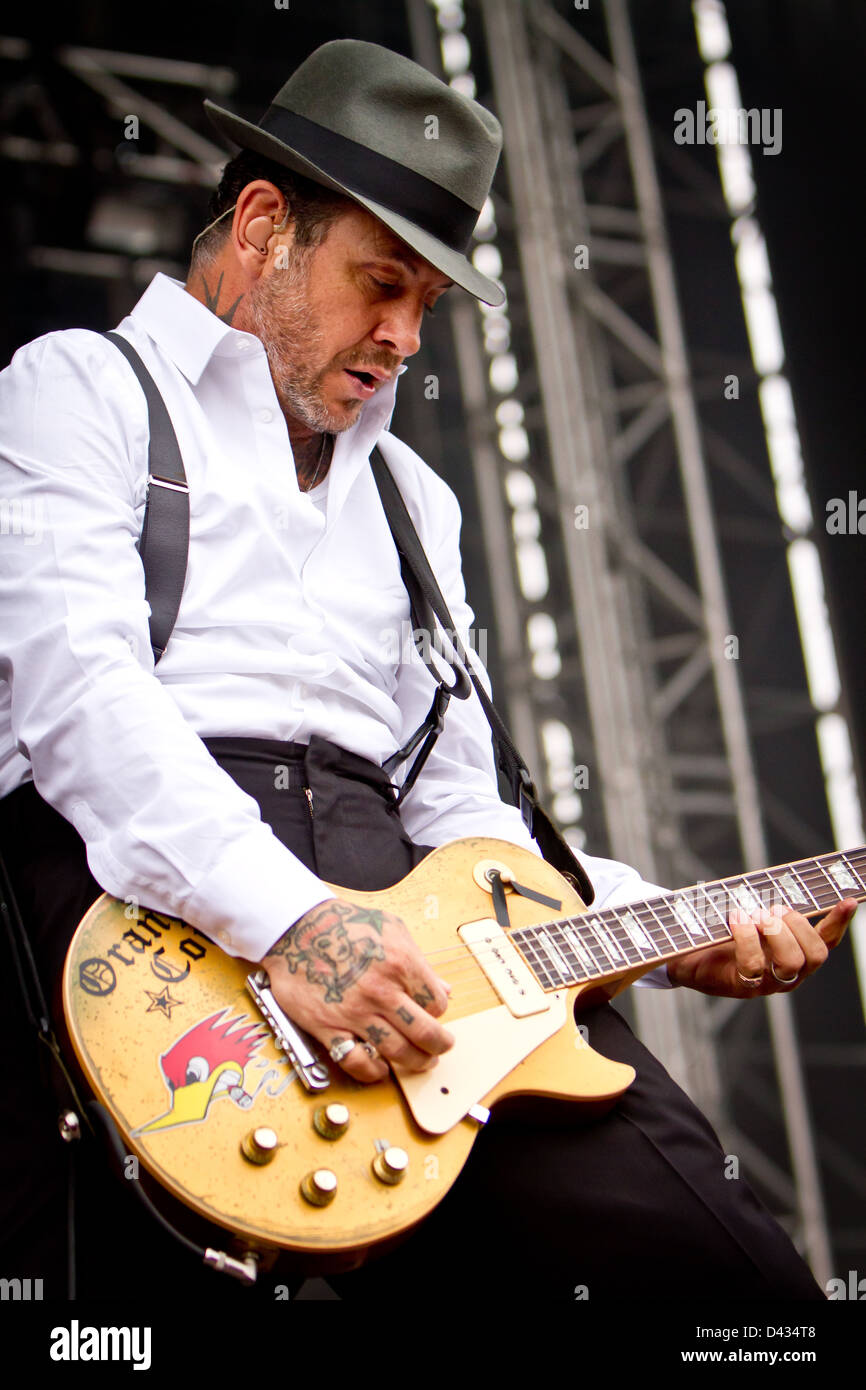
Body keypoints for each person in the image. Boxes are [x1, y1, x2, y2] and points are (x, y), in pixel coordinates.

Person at [0, 39, 853, 1303]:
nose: (401, 337)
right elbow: (81, 700)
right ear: (261, 225)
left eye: (427, 308)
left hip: (405, 920)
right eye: (378, 284)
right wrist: (287, 920)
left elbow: (465, 821)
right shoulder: (80, 385)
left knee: (734, 1290)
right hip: (140, 902)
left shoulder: (413, 497)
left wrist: (670, 938)